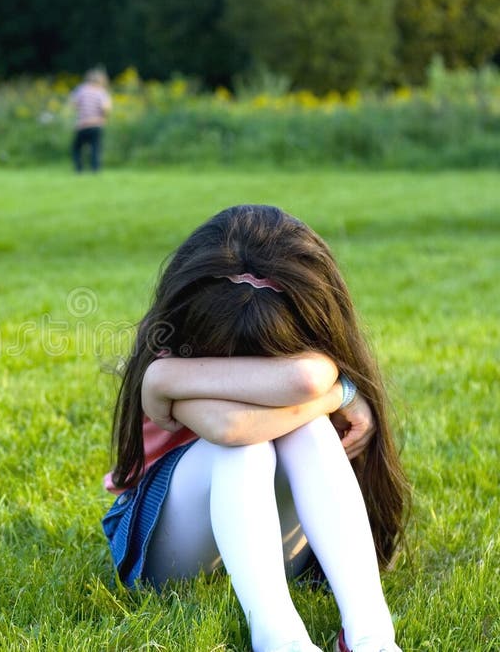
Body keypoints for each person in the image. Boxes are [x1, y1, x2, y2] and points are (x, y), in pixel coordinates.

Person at [103, 205, 411, 652]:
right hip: (164, 547)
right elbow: (234, 426)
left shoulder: (307, 340)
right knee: (246, 448)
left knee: (308, 431)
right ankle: (279, 638)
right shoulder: (169, 353)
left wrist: (329, 394)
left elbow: (305, 379)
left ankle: (369, 634)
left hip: (272, 541)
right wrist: (337, 395)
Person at [69, 67, 112, 173]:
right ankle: (95, 169)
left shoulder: (81, 89)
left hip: (82, 124)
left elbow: (74, 104)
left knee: (77, 148)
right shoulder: (101, 91)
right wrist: (104, 118)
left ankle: (79, 169)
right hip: (97, 124)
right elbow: (106, 107)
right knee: (95, 148)